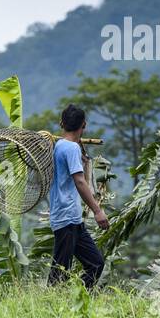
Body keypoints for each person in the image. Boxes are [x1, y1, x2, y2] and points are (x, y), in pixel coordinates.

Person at [48, 104, 109, 289]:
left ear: (62, 123)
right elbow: (80, 181)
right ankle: (53, 305)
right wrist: (98, 211)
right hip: (65, 217)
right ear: (84, 125)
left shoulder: (60, 145)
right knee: (59, 272)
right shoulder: (70, 148)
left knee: (95, 263)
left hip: (73, 219)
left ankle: (77, 300)